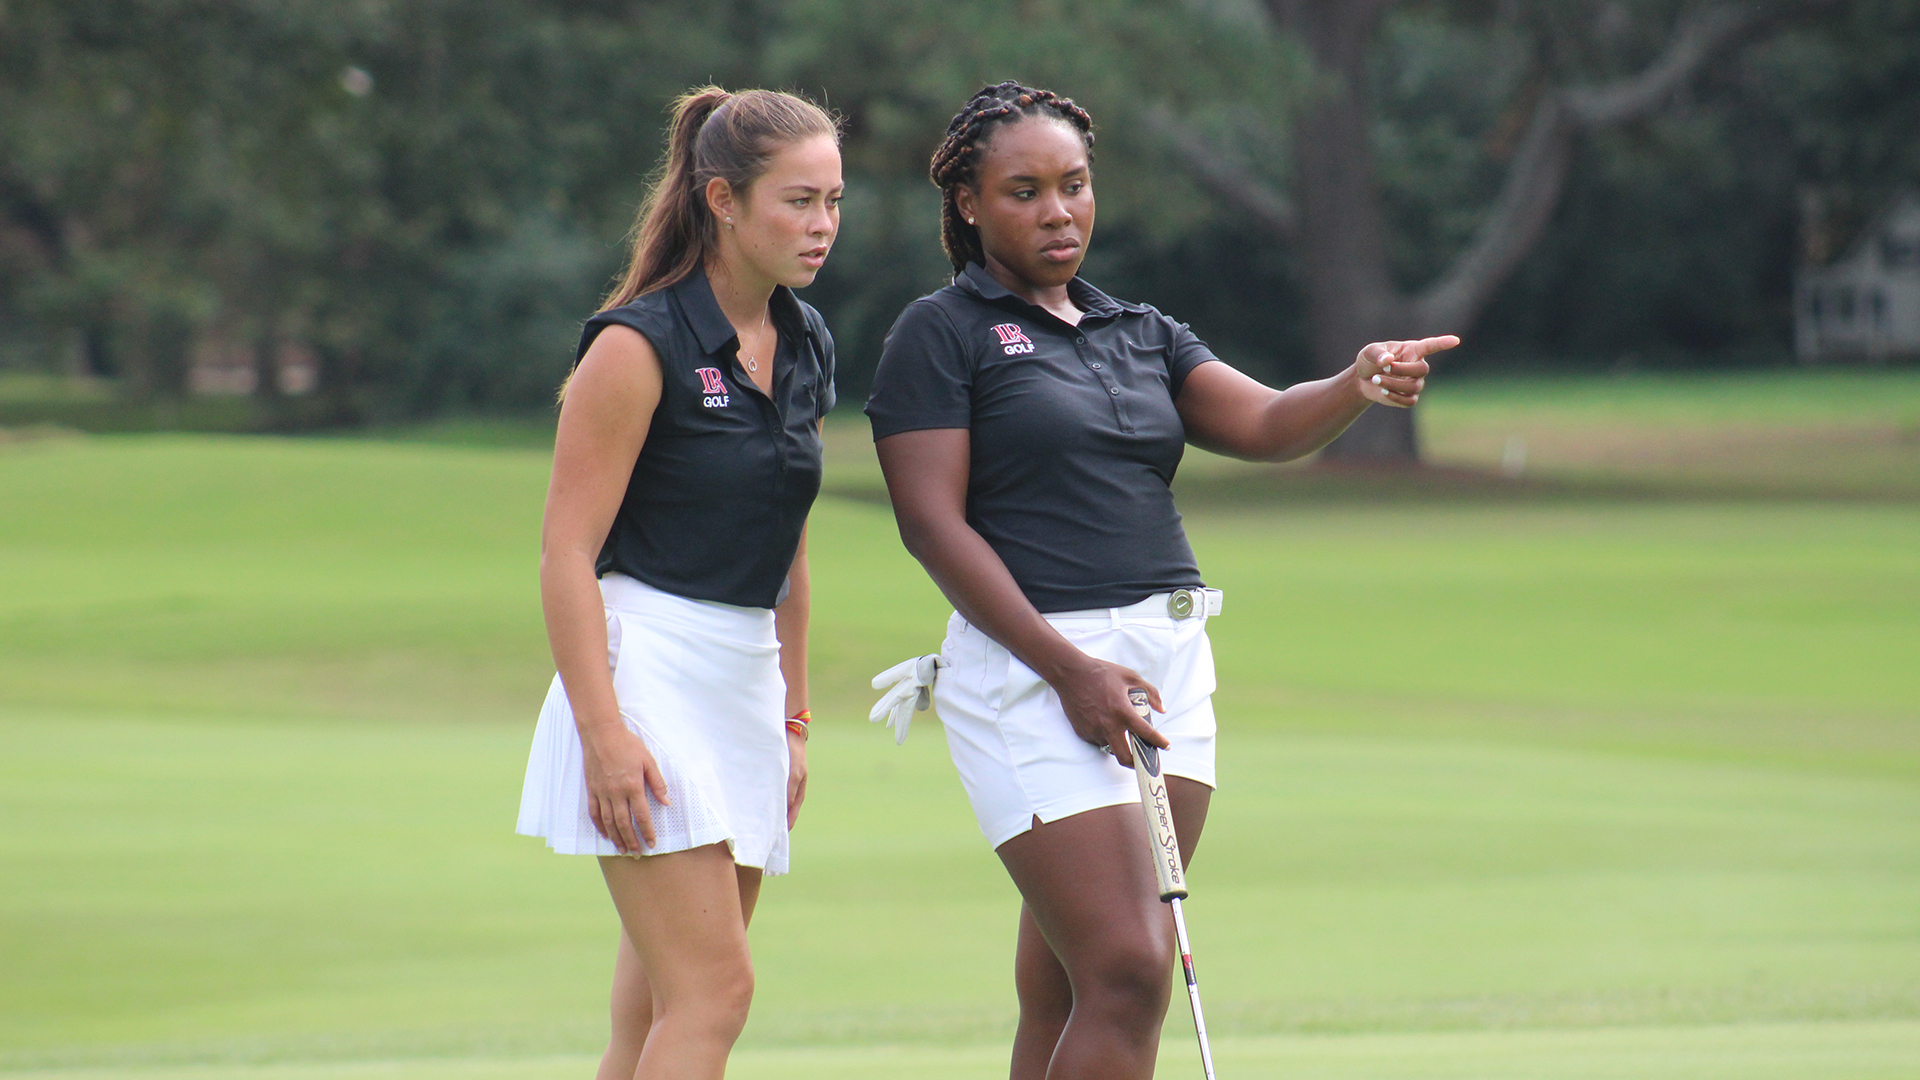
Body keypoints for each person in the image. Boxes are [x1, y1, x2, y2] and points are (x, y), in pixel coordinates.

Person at [864, 81, 1457, 1080]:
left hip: (1170, 663)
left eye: (1076, 185)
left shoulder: (1139, 328)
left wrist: (1355, 385)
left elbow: (1267, 424)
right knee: (1131, 970)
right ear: (969, 204)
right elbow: (933, 526)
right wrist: (1069, 671)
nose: (1060, 211)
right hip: (1032, 672)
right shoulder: (943, 333)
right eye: (1025, 191)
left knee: (1068, 983)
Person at [515, 86, 841, 1080]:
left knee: (660, 1009)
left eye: (832, 201)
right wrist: (603, 733)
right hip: (644, 668)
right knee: (715, 994)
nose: (821, 226)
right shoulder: (635, 344)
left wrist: (792, 713)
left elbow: (786, 545)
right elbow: (565, 553)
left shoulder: (806, 340)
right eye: (797, 202)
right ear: (723, 200)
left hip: (743, 681)